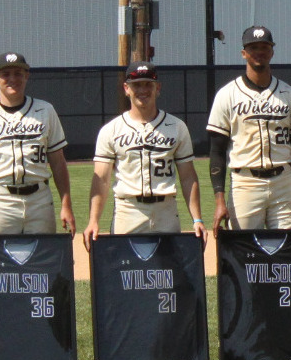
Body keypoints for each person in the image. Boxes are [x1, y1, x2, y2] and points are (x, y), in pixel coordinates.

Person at [207, 26, 291, 231]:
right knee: (245, 252)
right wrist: (219, 202)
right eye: (253, 47)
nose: (259, 52)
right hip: (245, 183)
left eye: (264, 47)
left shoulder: (289, 94)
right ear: (244, 53)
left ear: (272, 51)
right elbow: (217, 151)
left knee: (288, 249)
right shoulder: (227, 95)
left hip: (283, 183)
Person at [0, 52, 75, 236]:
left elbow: (58, 161)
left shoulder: (45, 110)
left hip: (39, 199)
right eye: (6, 74)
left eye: (18, 73)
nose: (12, 79)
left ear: (27, 76)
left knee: (42, 258)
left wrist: (66, 205)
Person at [84, 63, 205, 243]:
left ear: (158, 88)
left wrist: (197, 219)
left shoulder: (177, 127)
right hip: (128, 209)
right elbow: (101, 178)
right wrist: (93, 220)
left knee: (169, 268)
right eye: (136, 84)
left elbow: (188, 176)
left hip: (166, 210)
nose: (142, 90)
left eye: (148, 84)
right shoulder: (111, 130)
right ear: (126, 88)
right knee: (125, 267)